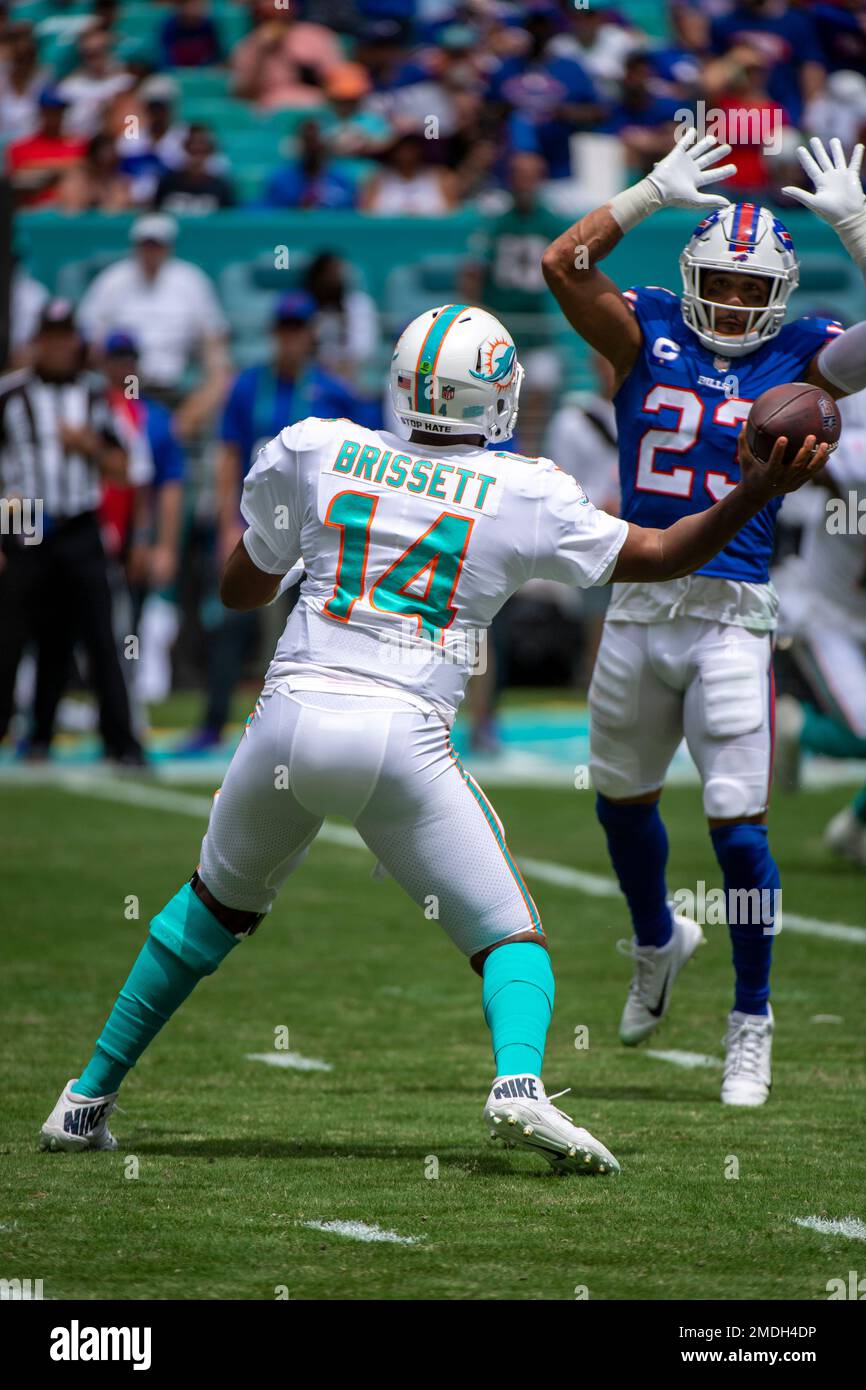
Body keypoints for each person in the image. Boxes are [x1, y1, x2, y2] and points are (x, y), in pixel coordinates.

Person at [38, 302, 826, 1163]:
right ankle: (518, 1082)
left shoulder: (317, 447)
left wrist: (306, 549)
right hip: (400, 737)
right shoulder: (525, 492)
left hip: (287, 724)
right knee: (512, 943)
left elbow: (238, 591)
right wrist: (755, 487)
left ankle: (84, 1096)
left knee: (208, 912)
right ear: (490, 397)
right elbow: (668, 551)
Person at [541, 129, 866, 1106]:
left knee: (735, 824)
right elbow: (561, 262)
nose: (728, 301)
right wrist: (642, 193)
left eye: (744, 288)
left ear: (774, 293)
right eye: (714, 283)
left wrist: (856, 224)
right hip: (636, 607)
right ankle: (655, 939)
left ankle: (750, 1019)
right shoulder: (644, 328)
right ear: (689, 279)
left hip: (730, 612)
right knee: (620, 803)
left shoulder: (806, 354)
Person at [182, 292, 363, 752]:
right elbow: (228, 454)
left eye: (298, 330)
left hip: (319, 531)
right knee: (235, 618)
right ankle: (214, 721)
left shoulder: (332, 391)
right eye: (283, 330)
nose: (290, 339)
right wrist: (227, 521)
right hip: (260, 524)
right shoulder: (247, 387)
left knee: (311, 628)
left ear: (309, 337)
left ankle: (295, 729)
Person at [0, 301, 143, 765]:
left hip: (80, 521)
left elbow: (125, 467)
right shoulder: (10, 394)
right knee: (15, 632)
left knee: (100, 634)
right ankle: (24, 733)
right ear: (37, 341)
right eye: (52, 336)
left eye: (68, 337)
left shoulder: (93, 397)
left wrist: (88, 446)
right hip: (24, 519)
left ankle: (120, 742)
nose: (61, 346)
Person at [77, 214, 230, 438]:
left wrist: (194, 407)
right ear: (136, 245)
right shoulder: (112, 281)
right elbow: (90, 343)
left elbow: (214, 342)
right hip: (124, 388)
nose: (151, 251)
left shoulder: (191, 281)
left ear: (168, 246)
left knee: (221, 380)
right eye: (146, 244)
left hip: (173, 392)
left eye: (157, 244)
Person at [5, 87, 86, 208]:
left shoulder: (80, 145)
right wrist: (65, 167)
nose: (55, 115)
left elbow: (86, 168)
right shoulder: (20, 147)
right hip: (34, 210)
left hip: (70, 210)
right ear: (41, 112)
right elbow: (19, 175)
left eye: (59, 110)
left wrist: (43, 168)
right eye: (50, 110)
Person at [153, 123, 235, 215]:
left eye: (201, 151)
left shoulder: (221, 187)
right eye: (192, 151)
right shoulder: (167, 182)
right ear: (183, 150)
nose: (196, 158)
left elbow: (227, 220)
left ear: (209, 154)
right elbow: (156, 213)